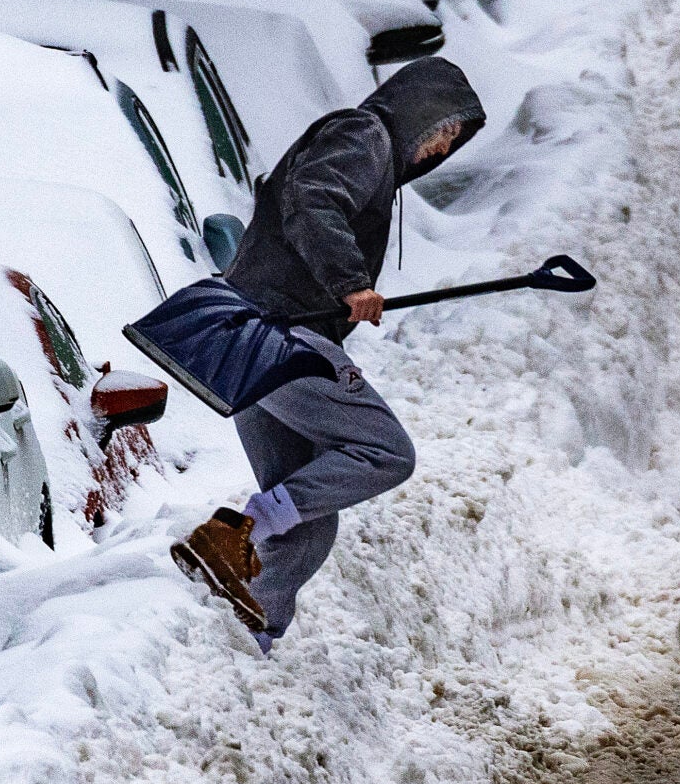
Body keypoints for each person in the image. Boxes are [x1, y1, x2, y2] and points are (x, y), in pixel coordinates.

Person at [173, 54, 485, 647]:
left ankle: (243, 637)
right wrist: (351, 283)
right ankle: (233, 531)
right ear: (420, 114)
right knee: (385, 451)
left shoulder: (366, 151)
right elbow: (313, 199)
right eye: (442, 132)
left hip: (252, 341)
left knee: (308, 526)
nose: (441, 150)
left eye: (453, 143)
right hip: (278, 332)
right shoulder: (362, 133)